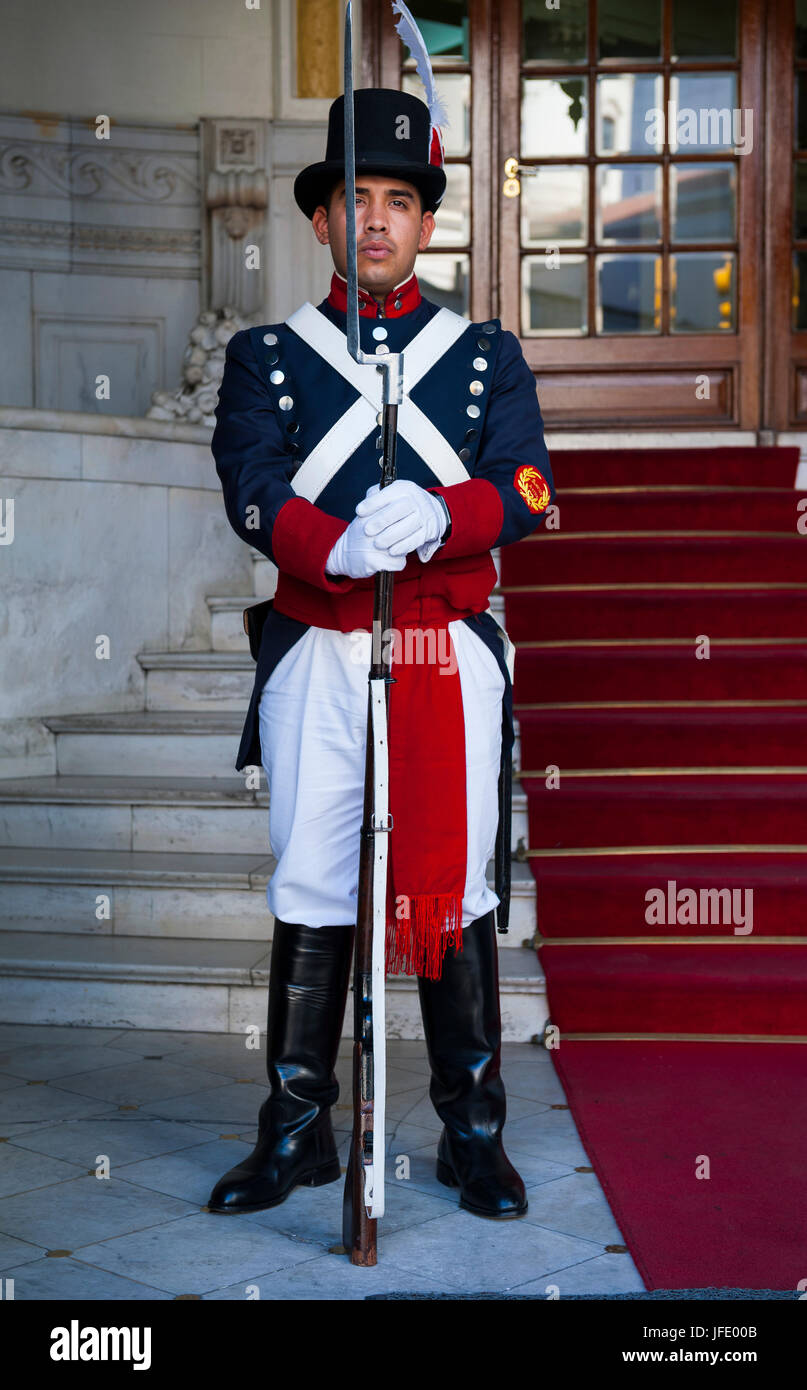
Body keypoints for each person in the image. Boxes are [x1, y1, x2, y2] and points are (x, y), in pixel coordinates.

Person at [207, 87, 555, 1223]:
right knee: (313, 879)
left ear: (424, 221)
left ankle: (474, 1134)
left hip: (445, 647)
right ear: (321, 220)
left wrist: (447, 520)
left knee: (451, 891)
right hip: (318, 642)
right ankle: (298, 1133)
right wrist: (339, 538)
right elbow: (251, 487)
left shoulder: (485, 355)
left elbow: (527, 487)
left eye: (398, 201)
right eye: (354, 199)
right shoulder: (266, 357)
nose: (375, 219)